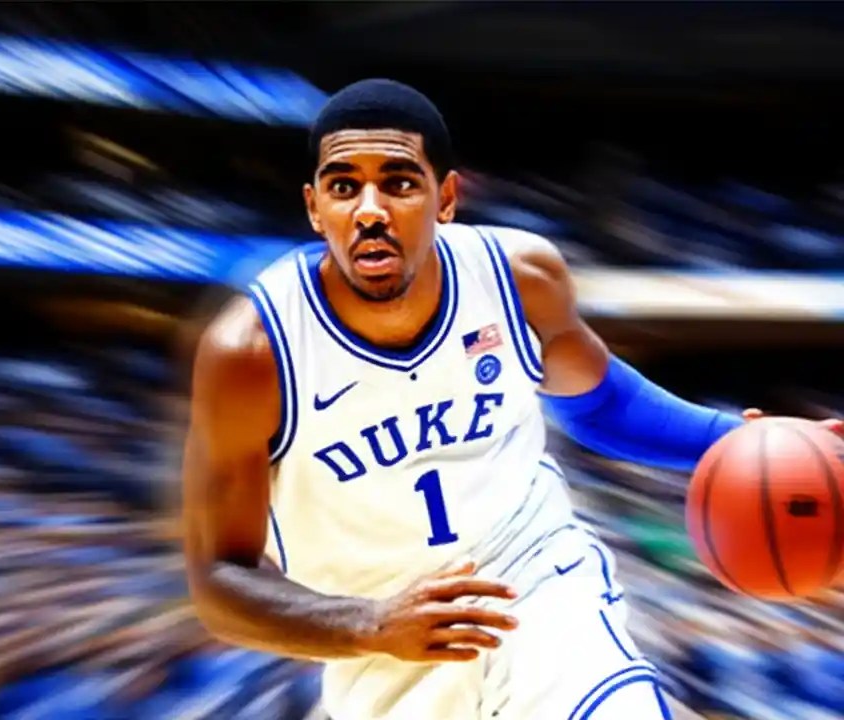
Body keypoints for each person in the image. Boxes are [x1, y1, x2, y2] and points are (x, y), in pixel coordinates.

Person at [180, 78, 844, 720]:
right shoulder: (252, 353)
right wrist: (371, 623)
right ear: (314, 207)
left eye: (400, 182)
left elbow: (598, 401)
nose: (371, 209)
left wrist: (733, 440)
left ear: (446, 197)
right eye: (344, 187)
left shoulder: (517, 277)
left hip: (536, 580)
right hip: (384, 656)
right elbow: (218, 582)